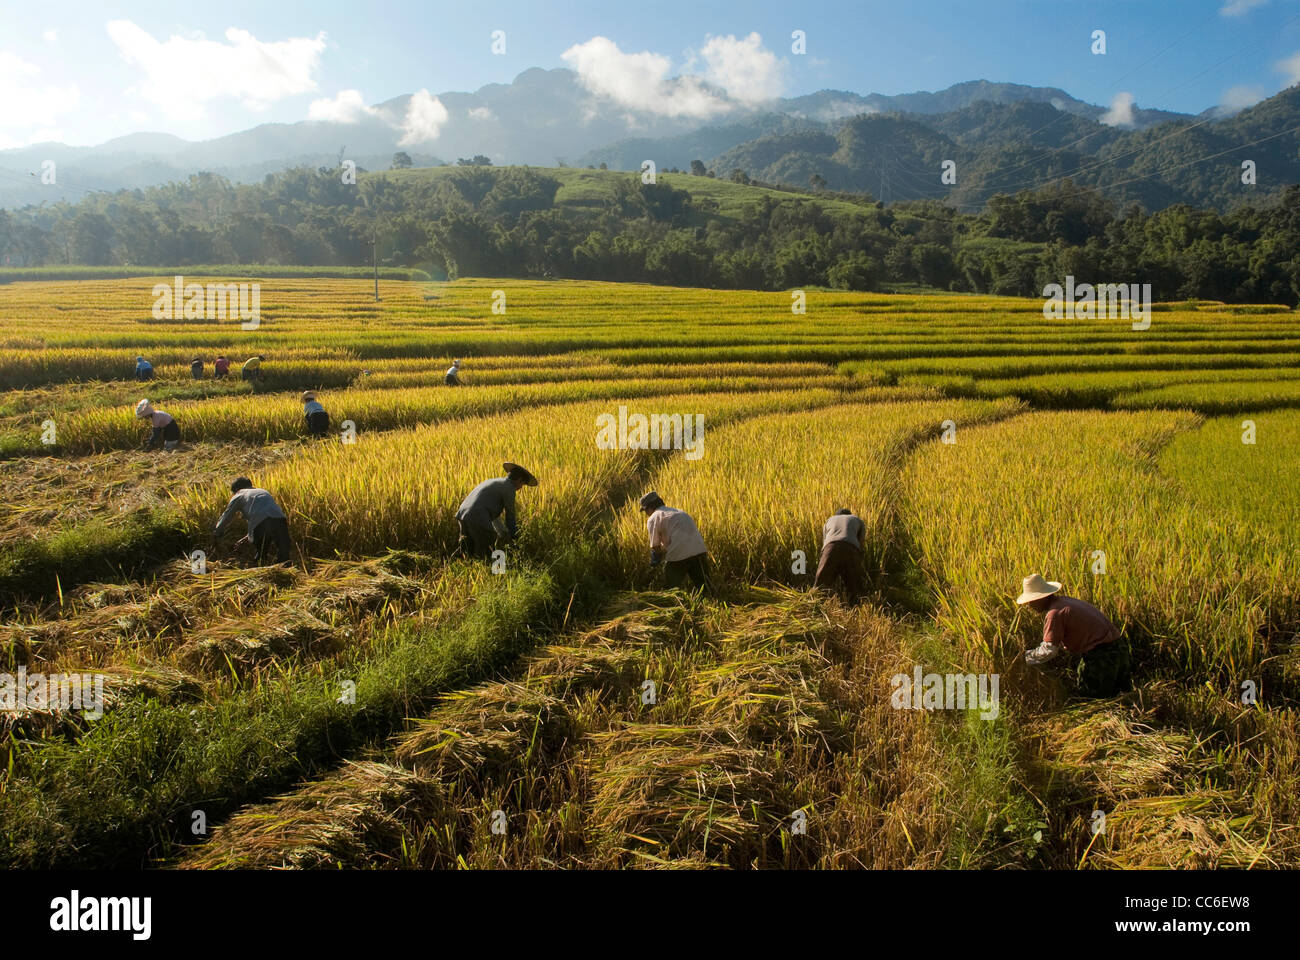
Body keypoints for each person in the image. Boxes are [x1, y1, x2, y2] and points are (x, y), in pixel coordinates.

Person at [1016, 574, 1132, 697]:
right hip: (1120, 649)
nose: (1029, 606)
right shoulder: (1066, 601)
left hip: (1102, 657)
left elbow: (1049, 651)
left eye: (1031, 601)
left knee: (1091, 697)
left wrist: (1023, 658)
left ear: (1040, 598)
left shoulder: (1054, 613)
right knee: (1122, 697)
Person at [454, 462, 538, 559]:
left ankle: (466, 566)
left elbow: (493, 515)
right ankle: (491, 570)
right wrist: (514, 536)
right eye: (522, 485)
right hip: (478, 516)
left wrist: (502, 532)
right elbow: (510, 515)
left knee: (467, 547)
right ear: (519, 480)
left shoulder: (494, 482)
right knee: (488, 547)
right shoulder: (509, 488)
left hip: (462, 513)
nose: (520, 488)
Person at [640, 491, 712, 592]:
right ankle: (713, 604)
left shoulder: (653, 518)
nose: (646, 514)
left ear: (649, 508)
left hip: (678, 555)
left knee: (671, 590)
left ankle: (673, 604)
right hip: (699, 550)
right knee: (705, 586)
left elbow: (655, 547)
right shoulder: (680, 512)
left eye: (645, 511)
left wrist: (656, 561)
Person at [212, 477, 292, 566]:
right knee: (283, 550)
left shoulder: (239, 494)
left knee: (261, 552)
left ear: (236, 489)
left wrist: (217, 531)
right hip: (280, 519)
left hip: (262, 522)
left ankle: (260, 573)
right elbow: (266, 516)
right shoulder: (262, 491)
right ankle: (284, 573)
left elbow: (227, 515)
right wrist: (247, 537)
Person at [813, 508, 865, 602]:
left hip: (830, 548)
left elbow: (825, 542)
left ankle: (815, 603)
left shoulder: (829, 520)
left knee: (822, 580)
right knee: (853, 580)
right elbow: (861, 542)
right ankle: (855, 605)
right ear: (850, 514)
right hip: (851, 547)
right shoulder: (857, 519)